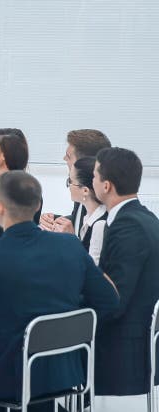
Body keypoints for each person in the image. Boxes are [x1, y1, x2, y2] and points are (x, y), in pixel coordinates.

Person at [0, 171, 119, 411]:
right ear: (38, 205)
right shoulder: (70, 245)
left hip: (13, 374)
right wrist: (66, 322)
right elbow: (108, 301)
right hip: (68, 369)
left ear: (0, 209)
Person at [92, 148, 159, 397]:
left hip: (123, 350)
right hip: (140, 339)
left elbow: (113, 300)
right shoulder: (146, 218)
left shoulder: (127, 227)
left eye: (95, 176)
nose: (92, 181)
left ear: (106, 186)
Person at [39, 129, 110, 234]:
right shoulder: (82, 186)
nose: (64, 159)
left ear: (84, 163)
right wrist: (57, 220)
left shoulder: (105, 214)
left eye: (68, 157)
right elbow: (80, 220)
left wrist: (71, 237)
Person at [44, 157, 107, 264]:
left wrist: (71, 239)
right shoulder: (87, 217)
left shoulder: (101, 224)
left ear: (85, 191)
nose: (68, 186)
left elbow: (91, 270)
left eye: (70, 181)